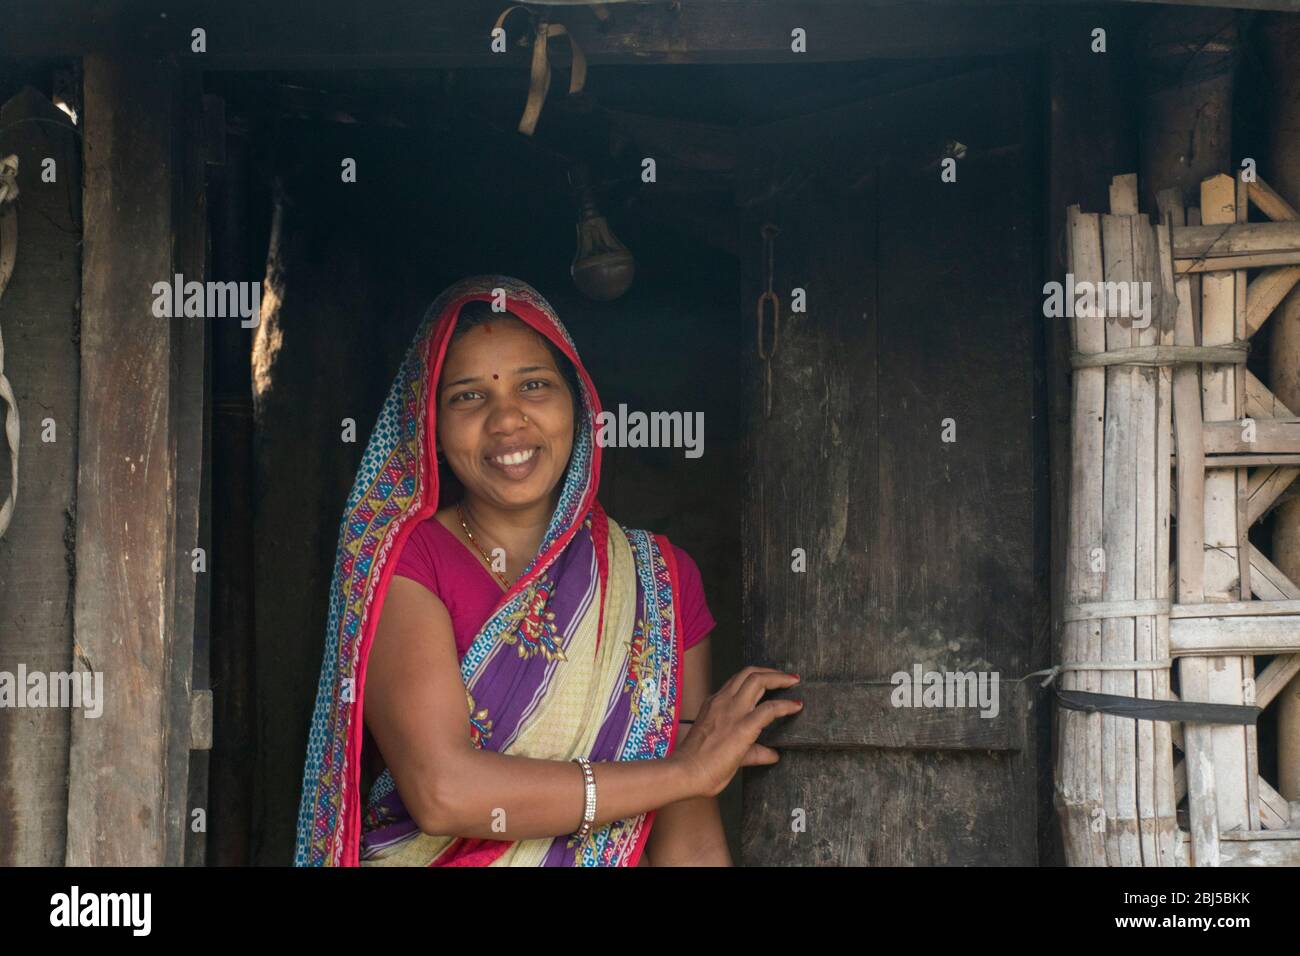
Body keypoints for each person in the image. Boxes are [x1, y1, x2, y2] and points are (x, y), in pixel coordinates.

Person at [294, 276, 801, 866]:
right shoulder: (403, 561)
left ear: (579, 403)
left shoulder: (658, 582)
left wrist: (689, 775)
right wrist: (686, 769)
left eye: (533, 386)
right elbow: (442, 792)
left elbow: (686, 822)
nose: (507, 420)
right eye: (468, 396)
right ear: (428, 424)